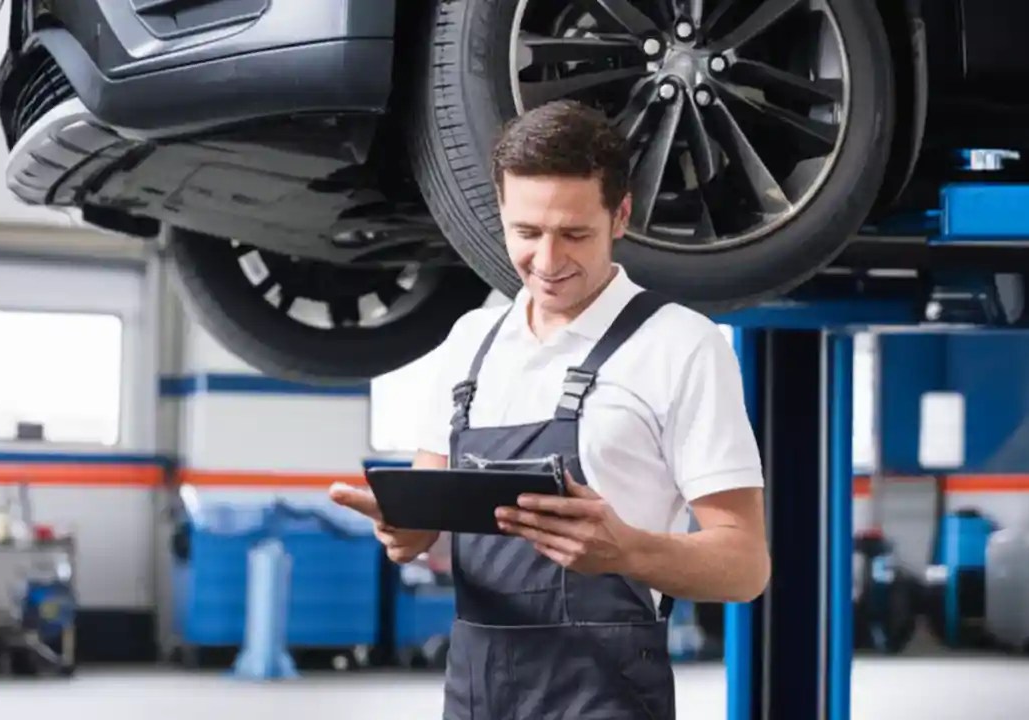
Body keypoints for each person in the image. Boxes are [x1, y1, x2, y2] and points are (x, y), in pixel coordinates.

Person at [330, 99, 770, 720]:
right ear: (502, 214)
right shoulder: (469, 345)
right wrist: (401, 525)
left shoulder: (681, 345)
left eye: (574, 234)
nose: (547, 261)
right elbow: (424, 519)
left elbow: (744, 565)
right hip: (477, 694)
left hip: (605, 697)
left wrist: (628, 551)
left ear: (621, 215)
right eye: (526, 233)